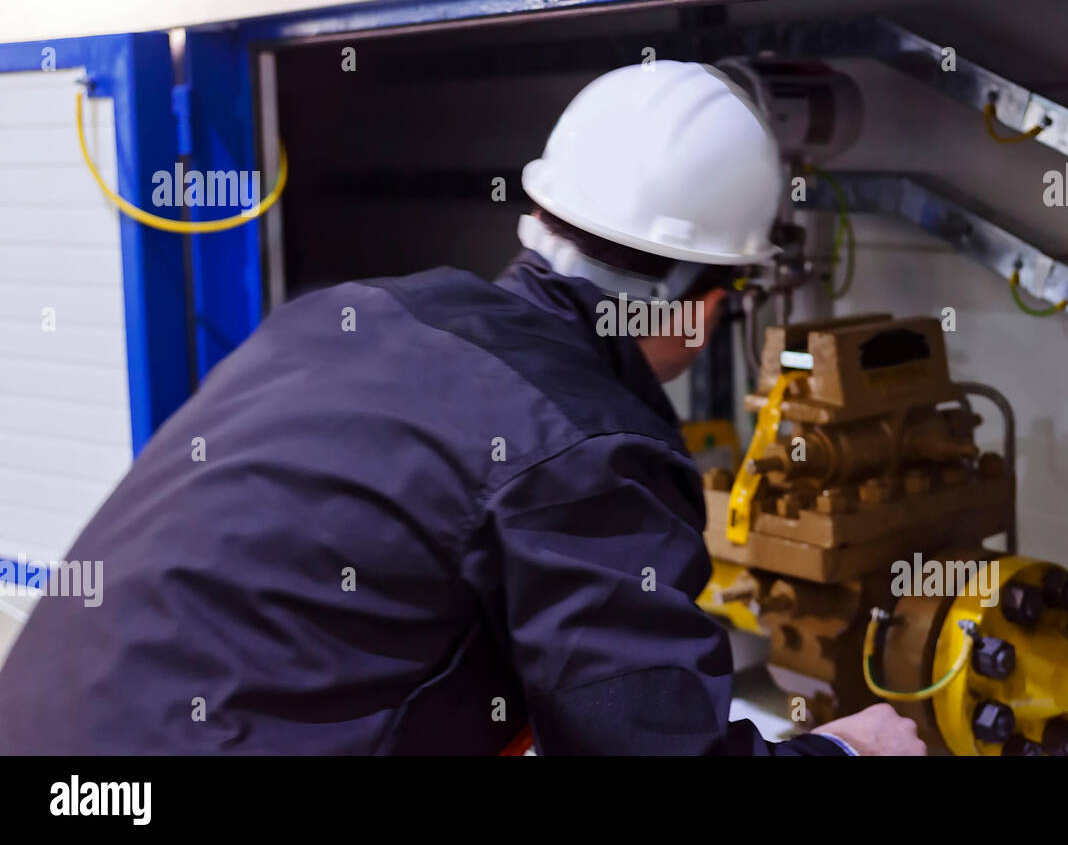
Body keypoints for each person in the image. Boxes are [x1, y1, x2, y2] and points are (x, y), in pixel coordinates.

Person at [0, 61, 925, 756]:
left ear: (543, 218)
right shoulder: (583, 446)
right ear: (704, 300)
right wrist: (848, 750)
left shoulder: (342, 318)